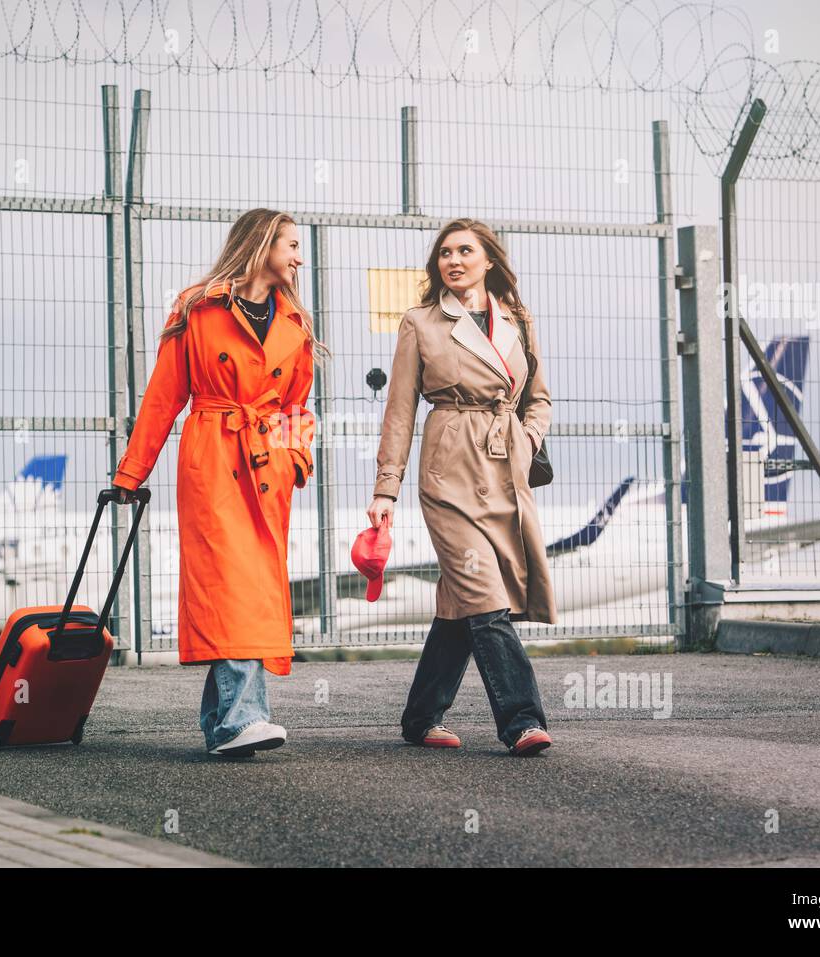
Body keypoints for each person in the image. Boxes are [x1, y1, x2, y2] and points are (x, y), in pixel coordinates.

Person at [110, 209, 326, 757]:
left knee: (248, 591)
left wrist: (295, 458)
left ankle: (222, 725)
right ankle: (241, 719)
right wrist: (131, 473)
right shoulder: (197, 307)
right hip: (212, 455)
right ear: (261, 245)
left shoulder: (295, 324)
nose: (300, 258)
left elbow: (298, 407)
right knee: (232, 585)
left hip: (266, 470)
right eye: (292, 245)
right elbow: (164, 396)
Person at [366, 218, 557, 756]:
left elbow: (538, 396)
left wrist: (527, 436)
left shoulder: (517, 319)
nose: (453, 260)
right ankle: (521, 720)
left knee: (460, 604)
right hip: (447, 468)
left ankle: (421, 716)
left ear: (488, 260)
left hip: (504, 467)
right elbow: (399, 411)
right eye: (444, 253)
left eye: (465, 251)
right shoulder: (420, 322)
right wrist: (386, 489)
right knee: (485, 595)